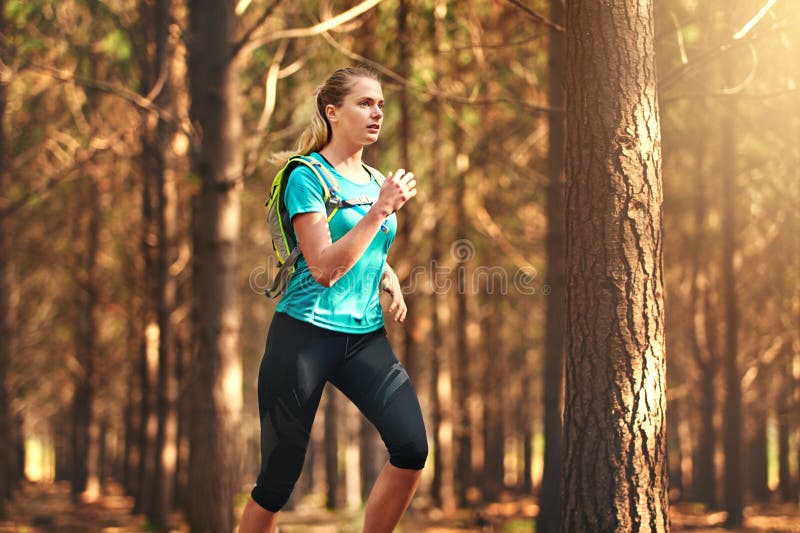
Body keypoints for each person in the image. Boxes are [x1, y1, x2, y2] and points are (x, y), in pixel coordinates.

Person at [239, 66, 428, 533]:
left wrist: (386, 274)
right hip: (303, 336)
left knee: (411, 448)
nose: (377, 112)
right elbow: (322, 268)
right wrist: (381, 209)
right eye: (364, 103)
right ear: (332, 112)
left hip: (364, 338)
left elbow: (363, 247)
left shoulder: (375, 179)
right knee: (276, 484)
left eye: (380, 104)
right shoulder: (307, 176)